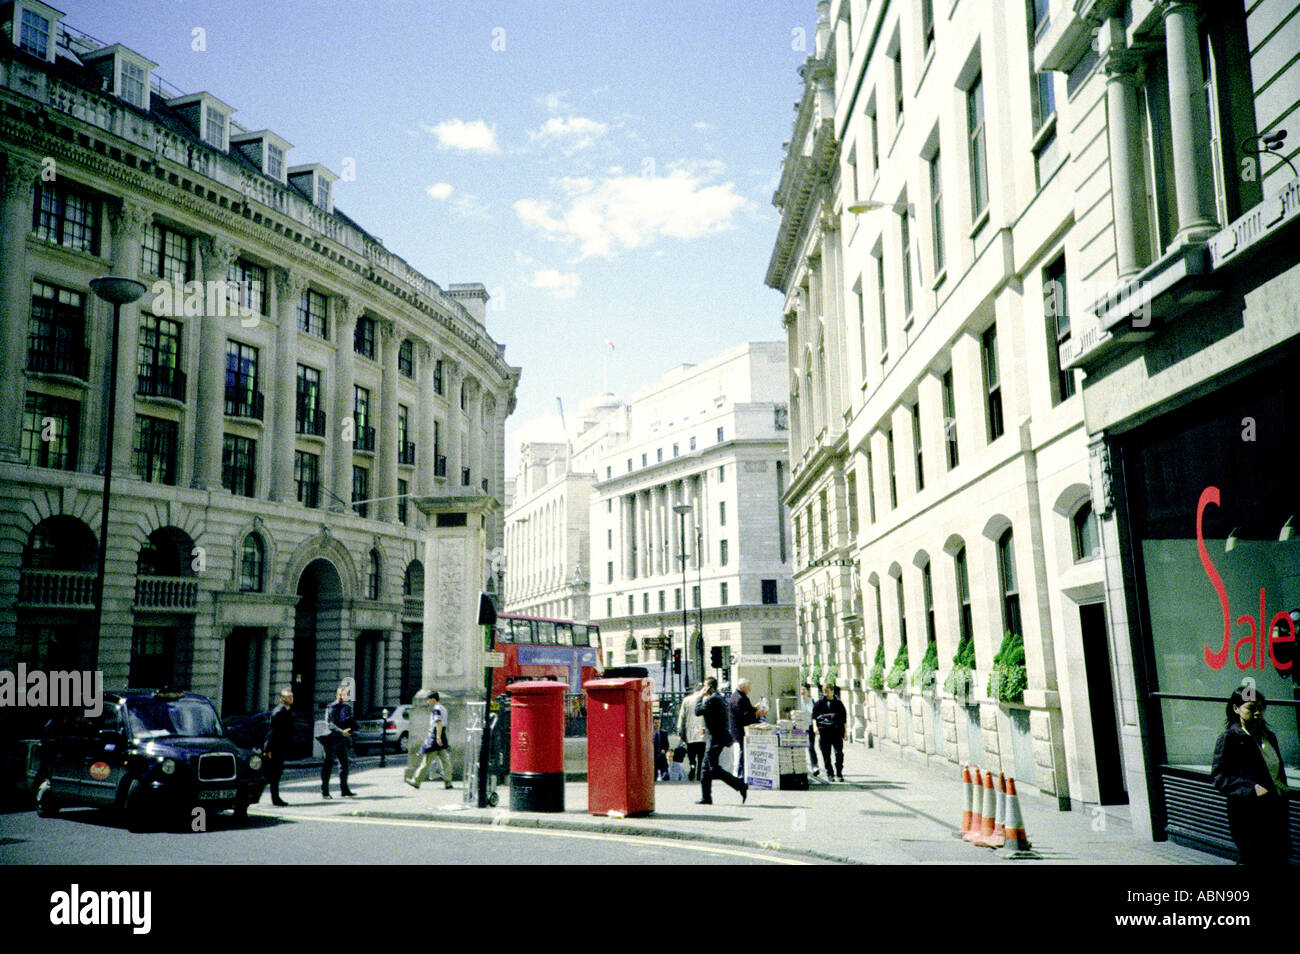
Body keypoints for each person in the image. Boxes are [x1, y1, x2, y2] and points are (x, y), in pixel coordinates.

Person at [1211, 686, 1290, 865]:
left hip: (1276, 810)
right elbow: (1219, 777)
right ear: (1236, 709)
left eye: (1261, 708)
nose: (1258, 712)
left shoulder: (1269, 736)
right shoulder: (1229, 738)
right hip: (1248, 815)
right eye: (1251, 708)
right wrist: (1251, 788)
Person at [694, 676, 747, 805]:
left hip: (716, 738)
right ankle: (706, 797)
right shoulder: (717, 698)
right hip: (716, 736)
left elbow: (697, 711)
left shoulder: (713, 699)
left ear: (710, 687)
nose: (703, 689)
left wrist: (700, 696)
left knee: (712, 768)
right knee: (706, 769)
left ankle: (739, 785)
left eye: (705, 686)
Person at [406, 692, 453, 790]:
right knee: (445, 761)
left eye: (428, 699)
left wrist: (437, 737)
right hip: (442, 734)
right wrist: (441, 737)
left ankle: (416, 781)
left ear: (433, 699)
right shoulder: (443, 708)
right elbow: (444, 724)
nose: (427, 702)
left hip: (436, 735)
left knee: (426, 761)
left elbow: (438, 722)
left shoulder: (436, 709)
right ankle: (448, 782)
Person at [320, 683, 358, 798]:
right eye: (341, 695)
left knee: (344, 765)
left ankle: (344, 790)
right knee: (328, 765)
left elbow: (350, 721)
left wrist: (352, 730)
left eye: (345, 695)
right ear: (337, 695)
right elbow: (330, 724)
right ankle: (325, 792)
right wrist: (342, 731)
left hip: (342, 740)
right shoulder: (331, 707)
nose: (343, 697)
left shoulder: (347, 708)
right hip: (331, 739)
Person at [262, 687, 295, 806]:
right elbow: (272, 731)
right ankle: (275, 798)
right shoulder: (279, 711)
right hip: (276, 748)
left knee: (275, 773)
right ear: (282, 698)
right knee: (273, 774)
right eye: (288, 696)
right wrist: (267, 749)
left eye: (291, 696)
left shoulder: (287, 710)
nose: (291, 698)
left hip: (281, 747)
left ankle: (275, 797)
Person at [727, 678, 766, 780]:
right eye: (748, 688)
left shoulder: (739, 697)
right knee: (741, 753)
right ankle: (740, 776)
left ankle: (741, 775)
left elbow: (746, 710)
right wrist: (756, 713)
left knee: (742, 753)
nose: (750, 690)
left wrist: (754, 709)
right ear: (743, 687)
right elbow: (744, 716)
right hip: (740, 731)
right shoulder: (739, 698)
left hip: (738, 730)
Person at [812, 682, 847, 781]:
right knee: (826, 755)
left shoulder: (839, 703)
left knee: (839, 753)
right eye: (824, 692)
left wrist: (845, 732)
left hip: (836, 732)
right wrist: (815, 727)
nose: (826, 694)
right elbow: (814, 717)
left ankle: (839, 773)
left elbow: (844, 719)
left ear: (832, 691)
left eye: (828, 692)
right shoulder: (819, 703)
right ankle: (830, 774)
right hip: (824, 732)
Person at [677, 682, 707, 781]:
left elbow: (682, 717)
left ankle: (692, 765)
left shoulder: (686, 700)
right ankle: (699, 773)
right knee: (701, 756)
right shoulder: (705, 699)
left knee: (691, 754)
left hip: (690, 734)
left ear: (694, 690)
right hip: (702, 733)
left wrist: (680, 731)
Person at [799, 683, 820, 778]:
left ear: (807, 691)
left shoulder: (812, 701)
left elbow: (816, 715)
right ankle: (802, 766)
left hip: (810, 726)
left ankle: (814, 766)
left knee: (811, 746)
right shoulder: (798, 702)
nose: (802, 692)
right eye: (801, 690)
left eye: (804, 690)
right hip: (801, 727)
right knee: (800, 747)